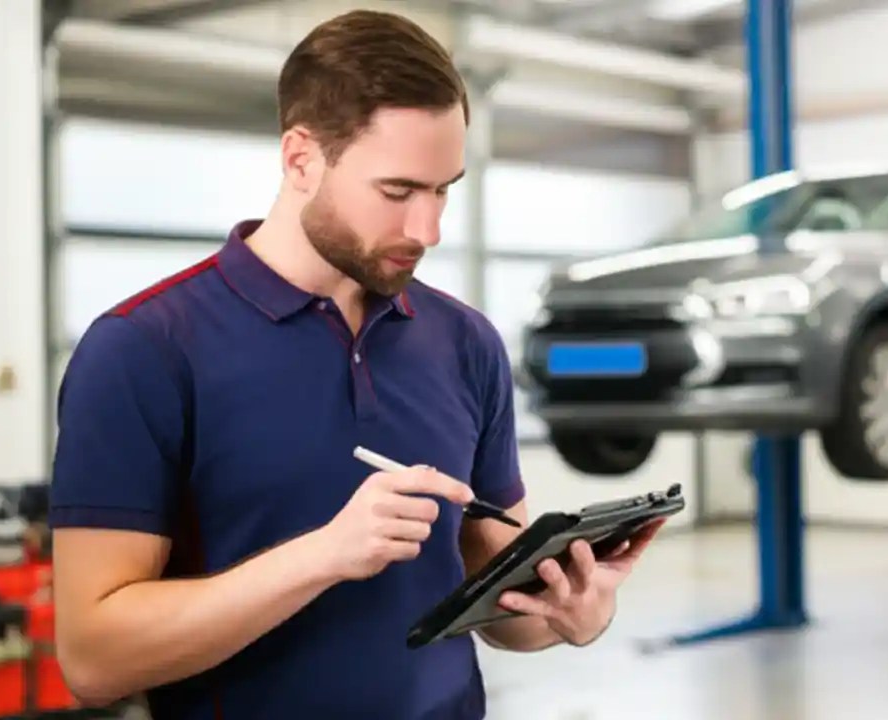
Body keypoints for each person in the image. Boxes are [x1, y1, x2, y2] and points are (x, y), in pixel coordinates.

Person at [48, 10, 665, 719]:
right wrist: (324, 556)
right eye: (398, 192)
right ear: (301, 157)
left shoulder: (466, 343)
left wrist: (573, 611)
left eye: (443, 190)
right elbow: (94, 661)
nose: (427, 230)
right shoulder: (143, 349)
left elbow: (505, 610)